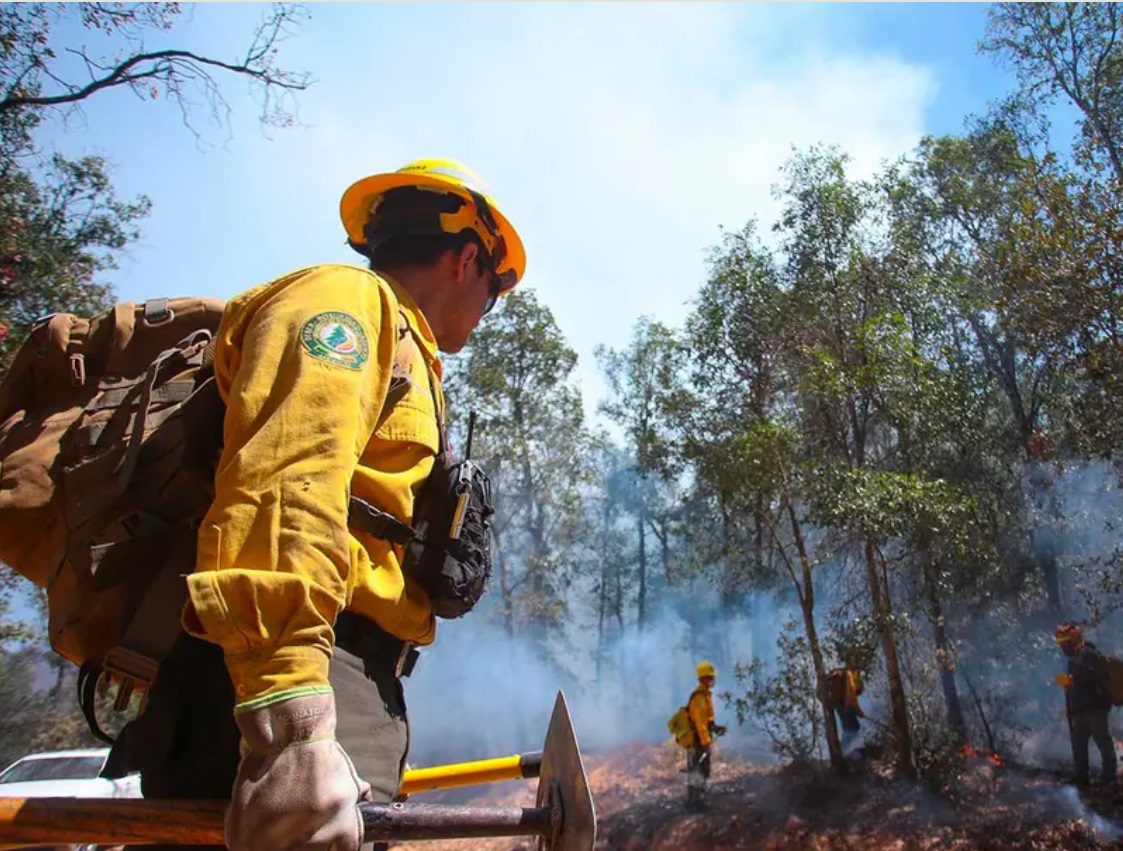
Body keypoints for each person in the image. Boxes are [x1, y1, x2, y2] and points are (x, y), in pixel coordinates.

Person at [103, 159, 525, 851]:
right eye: (496, 289)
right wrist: (292, 729)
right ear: (465, 258)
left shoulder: (404, 349)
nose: (489, 308)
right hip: (298, 672)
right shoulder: (346, 303)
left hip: (337, 677)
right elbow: (280, 493)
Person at [1055, 622, 1116, 788]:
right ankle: (1081, 776)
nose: (1063, 648)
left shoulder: (1089, 655)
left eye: (1065, 643)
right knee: (1078, 743)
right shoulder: (1072, 661)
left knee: (1102, 740)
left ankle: (1109, 776)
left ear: (1074, 640)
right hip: (1080, 709)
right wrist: (1070, 707)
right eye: (1061, 644)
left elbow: (1096, 677)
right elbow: (1073, 688)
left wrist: (1073, 681)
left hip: (1095, 707)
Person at [685, 660, 726, 811]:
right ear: (703, 678)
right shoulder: (699, 697)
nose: (712, 679)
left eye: (711, 676)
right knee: (699, 769)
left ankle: (697, 799)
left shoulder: (705, 695)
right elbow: (700, 723)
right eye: (709, 677)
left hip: (700, 738)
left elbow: (707, 720)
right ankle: (695, 802)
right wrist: (705, 742)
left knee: (702, 768)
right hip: (698, 740)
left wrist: (715, 728)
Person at [826, 666, 865, 750]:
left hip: (835, 699)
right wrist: (858, 711)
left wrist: (856, 710)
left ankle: (848, 749)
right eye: (858, 692)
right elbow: (850, 697)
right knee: (852, 726)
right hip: (838, 700)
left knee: (851, 725)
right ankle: (846, 750)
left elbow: (851, 698)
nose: (857, 693)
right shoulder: (850, 677)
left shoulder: (846, 675)